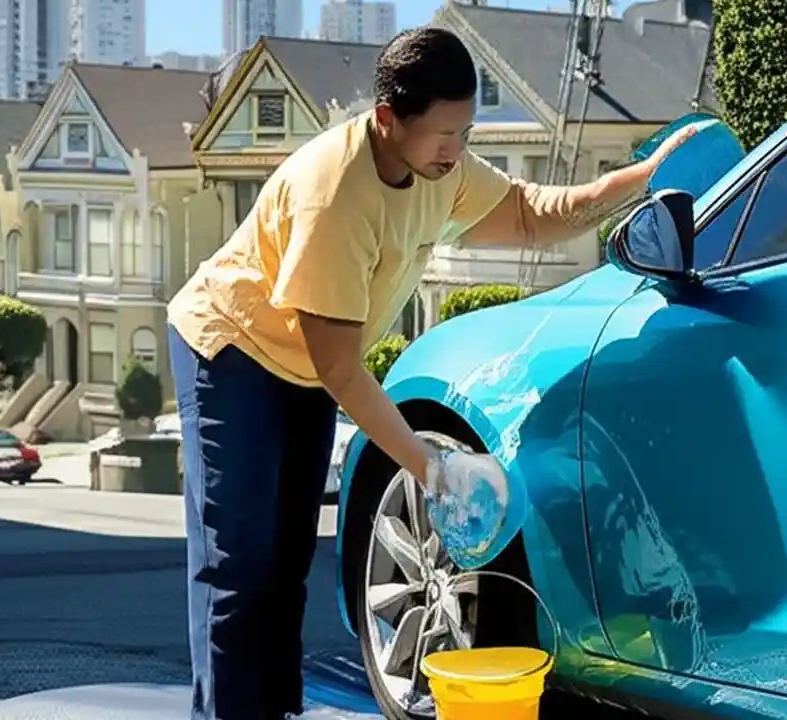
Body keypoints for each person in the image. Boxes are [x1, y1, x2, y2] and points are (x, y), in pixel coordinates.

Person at [166, 25, 697, 720]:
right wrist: (430, 465)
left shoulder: (439, 172)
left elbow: (531, 216)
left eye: (466, 133)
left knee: (288, 562)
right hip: (231, 348)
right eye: (444, 136)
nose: (456, 152)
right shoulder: (336, 195)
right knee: (239, 564)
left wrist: (637, 181)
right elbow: (341, 368)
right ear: (387, 120)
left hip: (303, 365)